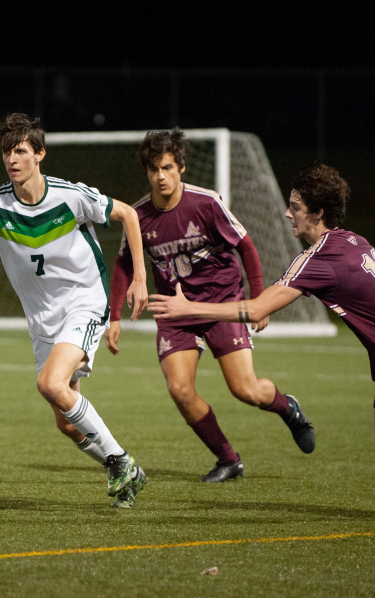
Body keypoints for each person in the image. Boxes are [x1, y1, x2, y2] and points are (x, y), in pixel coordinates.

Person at [148, 163, 375, 518]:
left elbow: (256, 311)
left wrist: (189, 307)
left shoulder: (316, 260)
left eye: (296, 207)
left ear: (317, 213)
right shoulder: (354, 240)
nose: (288, 213)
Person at [0, 113, 150, 508]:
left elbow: (129, 215)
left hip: (84, 303)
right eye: (6, 152)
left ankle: (120, 460)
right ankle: (124, 470)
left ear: (39, 154)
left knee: (50, 384)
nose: (12, 159)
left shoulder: (70, 196)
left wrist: (139, 277)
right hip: (42, 322)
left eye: (20, 151)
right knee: (67, 424)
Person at [109, 128, 315, 484]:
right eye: (154, 169)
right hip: (175, 312)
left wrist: (259, 301)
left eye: (168, 167)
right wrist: (113, 318)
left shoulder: (205, 203)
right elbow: (123, 265)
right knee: (180, 389)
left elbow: (246, 246)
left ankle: (288, 408)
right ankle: (228, 459)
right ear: (147, 172)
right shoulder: (138, 217)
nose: (161, 176)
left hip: (221, 304)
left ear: (182, 167)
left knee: (245, 389)